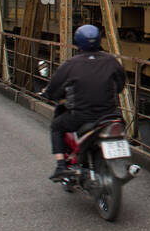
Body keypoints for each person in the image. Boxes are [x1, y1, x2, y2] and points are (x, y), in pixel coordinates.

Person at [43, 24, 126, 181]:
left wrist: (49, 95)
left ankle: (61, 165)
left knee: (56, 126)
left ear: (77, 42)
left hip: (82, 116)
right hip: (110, 115)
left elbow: (54, 88)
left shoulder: (71, 64)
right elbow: (120, 84)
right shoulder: (111, 61)